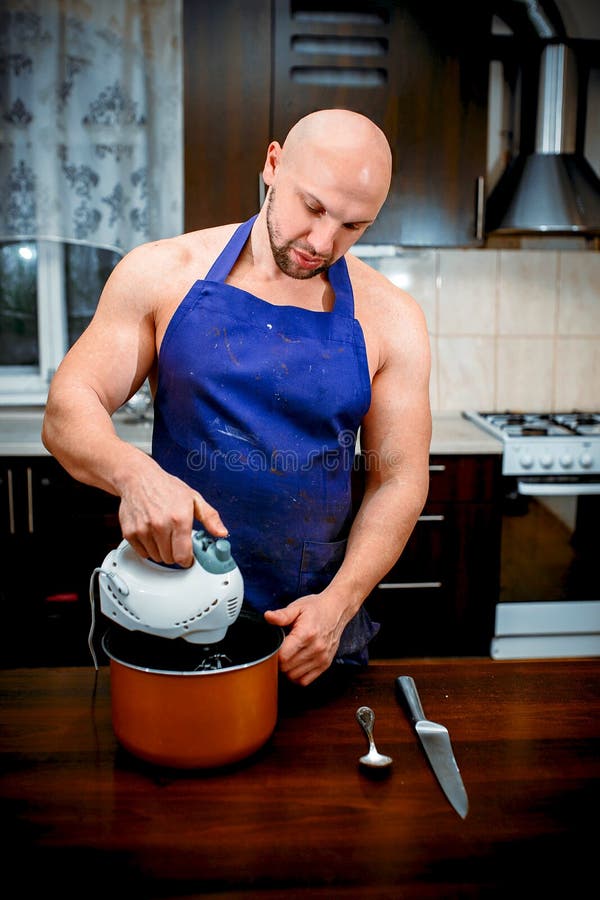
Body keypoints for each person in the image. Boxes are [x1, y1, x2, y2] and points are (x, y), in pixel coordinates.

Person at [42, 109, 432, 686]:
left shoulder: (393, 318)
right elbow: (69, 404)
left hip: (310, 629)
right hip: (173, 611)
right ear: (273, 164)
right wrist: (135, 475)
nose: (323, 243)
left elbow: (400, 478)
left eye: (354, 227)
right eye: (314, 207)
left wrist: (341, 603)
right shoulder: (160, 273)